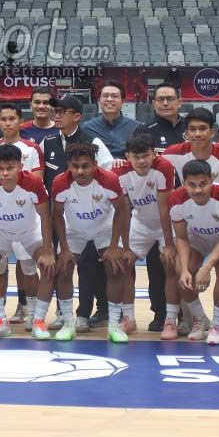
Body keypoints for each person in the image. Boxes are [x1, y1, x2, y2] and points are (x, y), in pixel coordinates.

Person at [39, 95, 113, 331]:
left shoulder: (94, 143)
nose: (56, 115)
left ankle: (84, 313)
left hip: (91, 215)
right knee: (63, 265)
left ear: (77, 116)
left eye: (63, 111)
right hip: (60, 215)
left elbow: (108, 178)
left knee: (89, 266)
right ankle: (64, 313)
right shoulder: (47, 142)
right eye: (55, 111)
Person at [50, 143, 131, 343]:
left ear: (95, 165)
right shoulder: (60, 182)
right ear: (68, 165)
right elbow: (57, 215)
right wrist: (65, 249)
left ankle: (114, 325)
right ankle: (69, 323)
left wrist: (114, 246)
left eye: (85, 166)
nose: (80, 171)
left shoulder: (110, 180)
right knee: (64, 267)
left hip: (104, 227)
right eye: (75, 166)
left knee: (115, 267)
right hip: (74, 229)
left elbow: (122, 210)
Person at [0, 144, 55, 340]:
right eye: (0, 168)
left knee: (48, 266)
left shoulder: (33, 183)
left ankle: (38, 320)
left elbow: (45, 216)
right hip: (0, 231)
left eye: (10, 168)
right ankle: (0, 320)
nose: (5, 173)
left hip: (30, 230)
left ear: (20, 166)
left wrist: (47, 250)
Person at [0, 102, 45, 324]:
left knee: (28, 266)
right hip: (0, 219)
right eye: (3, 119)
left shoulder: (32, 149)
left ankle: (31, 312)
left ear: (20, 121)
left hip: (28, 218)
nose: (8, 123)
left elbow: (38, 183)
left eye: (12, 118)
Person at [169, 160, 219, 345]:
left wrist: (207, 266)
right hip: (197, 237)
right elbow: (181, 238)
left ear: (211, 180)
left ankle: (217, 326)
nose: (198, 190)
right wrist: (186, 269)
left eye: (203, 184)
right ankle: (201, 320)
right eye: (191, 185)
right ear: (184, 183)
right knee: (181, 271)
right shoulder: (176, 200)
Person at [112, 134, 178, 338]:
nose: (141, 161)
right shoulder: (119, 172)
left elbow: (165, 208)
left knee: (170, 262)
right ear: (127, 156)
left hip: (166, 222)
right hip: (140, 222)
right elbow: (122, 211)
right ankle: (129, 319)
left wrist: (168, 243)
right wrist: (122, 245)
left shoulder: (164, 167)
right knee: (123, 262)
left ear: (154, 154)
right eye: (136, 156)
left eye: (146, 156)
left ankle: (171, 320)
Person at [162, 107, 219, 185]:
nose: (197, 134)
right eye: (192, 129)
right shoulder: (170, 154)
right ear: (186, 134)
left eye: (202, 129)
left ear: (212, 132)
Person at [83, 80, 138, 157]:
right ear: (99, 101)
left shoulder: (136, 128)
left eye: (114, 96)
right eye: (105, 96)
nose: (109, 99)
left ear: (122, 102)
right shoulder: (87, 128)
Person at [143, 82, 186, 149]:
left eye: (170, 99)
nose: (165, 103)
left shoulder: (191, 126)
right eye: (160, 99)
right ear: (153, 104)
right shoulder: (144, 131)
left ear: (180, 102)